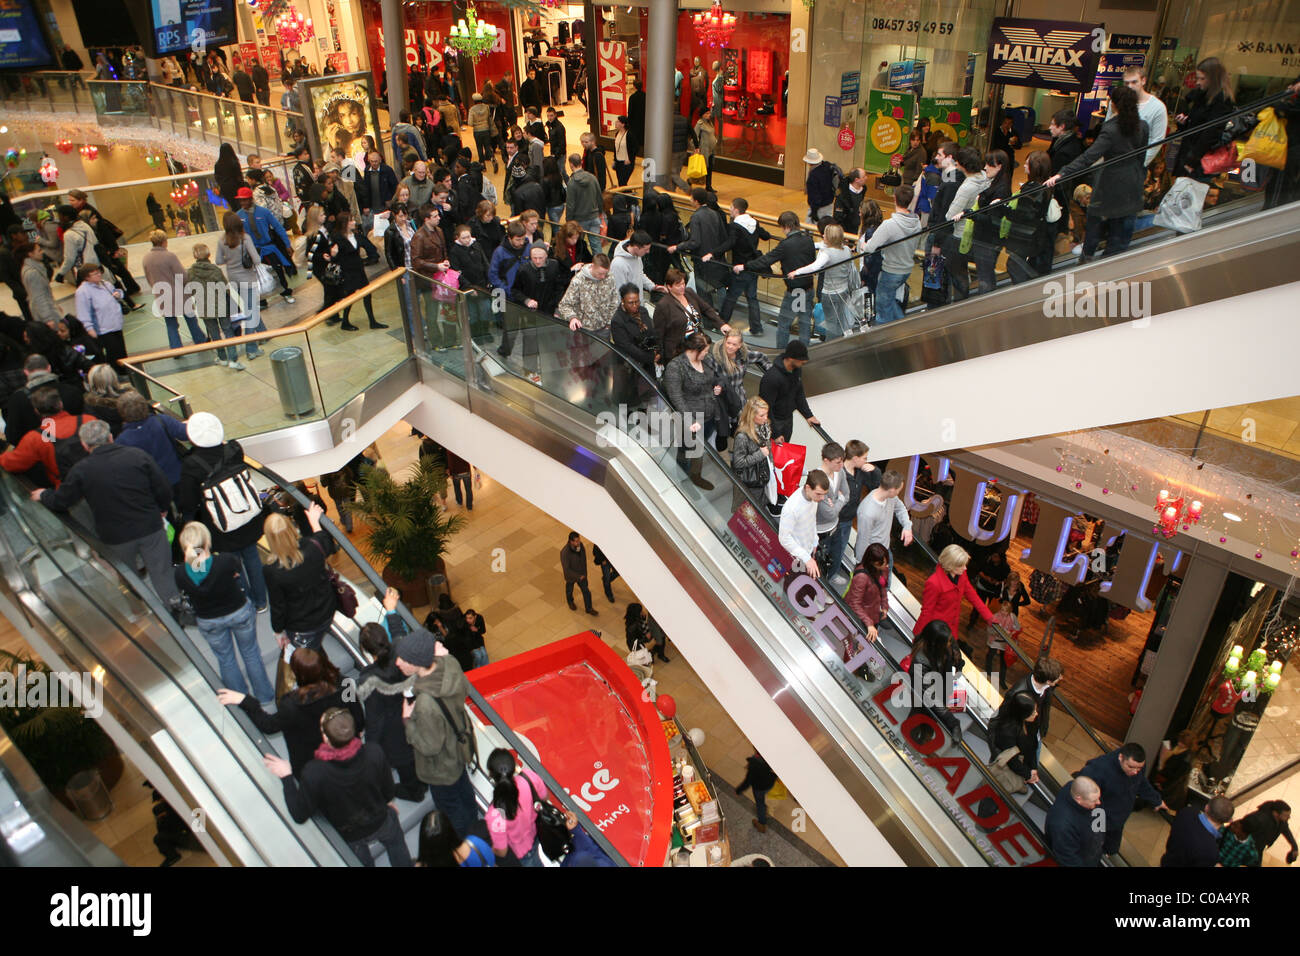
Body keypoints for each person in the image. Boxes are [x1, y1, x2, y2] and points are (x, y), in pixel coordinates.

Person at [31, 419, 182, 610]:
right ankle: (175, 610)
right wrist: (161, 509)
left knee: (128, 576)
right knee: (162, 572)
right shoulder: (137, 456)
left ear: (85, 445)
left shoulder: (81, 470)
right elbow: (163, 489)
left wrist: (43, 494)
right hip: (150, 527)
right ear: (111, 437)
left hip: (116, 537)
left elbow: (62, 501)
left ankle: (139, 610)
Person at [221, 646, 364, 776]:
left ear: (297, 674)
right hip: (346, 750)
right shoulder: (346, 684)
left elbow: (269, 726)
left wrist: (245, 701)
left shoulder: (292, 704)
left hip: (311, 762)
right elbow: (358, 719)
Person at [1045, 84, 1149, 261]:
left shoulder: (1111, 129)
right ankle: (1111, 264)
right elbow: (1142, 156)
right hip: (1132, 186)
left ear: (1114, 104)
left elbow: (1089, 157)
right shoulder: (1142, 126)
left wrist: (1062, 173)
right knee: (1120, 233)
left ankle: (1088, 260)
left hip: (1111, 185)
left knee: (1094, 225)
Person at [175, 522, 274, 702]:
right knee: (251, 653)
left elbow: (189, 582)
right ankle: (265, 696)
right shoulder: (225, 561)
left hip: (208, 620)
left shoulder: (180, 573)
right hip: (238, 612)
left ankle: (240, 700)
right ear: (207, 541)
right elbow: (236, 572)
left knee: (226, 660)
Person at [397, 627, 477, 839]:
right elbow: (464, 690)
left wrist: (408, 722)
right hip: (459, 747)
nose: (398, 662)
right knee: (465, 794)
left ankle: (465, 845)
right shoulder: (449, 664)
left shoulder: (425, 704)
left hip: (442, 767)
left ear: (416, 663)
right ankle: (476, 831)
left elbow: (430, 746)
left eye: (403, 659)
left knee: (452, 808)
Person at [261, 501, 339, 651]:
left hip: (302, 625)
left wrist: (277, 631)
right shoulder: (312, 546)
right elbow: (325, 542)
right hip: (327, 609)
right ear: (291, 528)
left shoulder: (272, 571)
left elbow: (278, 606)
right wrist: (315, 522)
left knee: (310, 657)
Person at [740, 211, 816, 349]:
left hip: (795, 291)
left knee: (784, 323)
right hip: (808, 287)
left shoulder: (785, 245)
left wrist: (745, 266)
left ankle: (781, 353)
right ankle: (803, 352)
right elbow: (813, 262)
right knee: (805, 323)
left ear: (786, 226)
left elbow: (765, 260)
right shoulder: (809, 240)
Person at [1078, 743, 1169, 856]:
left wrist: (1157, 800)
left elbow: (1141, 782)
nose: (1135, 772)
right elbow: (1087, 800)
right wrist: (1099, 831)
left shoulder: (1137, 766)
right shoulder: (1098, 770)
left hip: (1118, 820)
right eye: (1130, 767)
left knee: (1112, 849)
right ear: (1120, 757)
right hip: (1101, 820)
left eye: (1139, 768)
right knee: (1094, 849)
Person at [0, 387, 94, 488]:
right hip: (97, 476)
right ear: (60, 404)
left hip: (69, 488)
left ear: (36, 411)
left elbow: (12, 463)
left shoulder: (37, 437)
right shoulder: (89, 421)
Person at [664, 331, 721, 489]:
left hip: (709, 415)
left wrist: (717, 386)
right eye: (705, 351)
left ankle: (696, 475)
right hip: (689, 420)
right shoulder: (676, 366)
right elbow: (676, 397)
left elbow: (716, 376)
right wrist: (690, 420)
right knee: (686, 450)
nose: (707, 354)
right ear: (695, 350)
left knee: (700, 448)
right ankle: (683, 480)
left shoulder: (706, 360)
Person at [789, 223, 861, 339]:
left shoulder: (826, 253)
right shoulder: (847, 250)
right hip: (844, 291)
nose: (823, 236)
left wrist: (796, 272)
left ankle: (831, 347)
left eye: (825, 234)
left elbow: (814, 267)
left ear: (830, 237)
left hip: (830, 293)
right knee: (841, 320)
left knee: (831, 323)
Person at [913, 544, 994, 645]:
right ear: (950, 565)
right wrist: (918, 637)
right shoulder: (934, 583)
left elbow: (972, 595)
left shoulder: (961, 575)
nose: (965, 568)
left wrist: (989, 616)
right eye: (961, 565)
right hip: (937, 631)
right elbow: (927, 612)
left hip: (952, 629)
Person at [140, 231, 207, 352]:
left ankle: (176, 348)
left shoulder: (146, 258)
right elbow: (182, 276)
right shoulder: (169, 256)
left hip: (161, 295)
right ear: (164, 241)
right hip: (179, 294)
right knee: (191, 319)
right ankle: (200, 340)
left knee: (171, 324)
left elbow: (148, 277)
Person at [321, 211, 388, 332]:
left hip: (358, 270)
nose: (354, 222)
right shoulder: (337, 237)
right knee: (349, 297)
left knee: (367, 294)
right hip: (347, 272)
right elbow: (333, 256)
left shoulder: (356, 235)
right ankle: (345, 321)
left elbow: (370, 247)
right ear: (345, 223)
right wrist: (332, 255)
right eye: (351, 220)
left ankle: (372, 321)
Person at [214, 213, 267, 360]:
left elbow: (218, 261)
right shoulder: (245, 238)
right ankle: (251, 348)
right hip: (247, 279)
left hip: (233, 279)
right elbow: (256, 259)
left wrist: (230, 259)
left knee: (249, 310)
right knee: (251, 313)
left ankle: (263, 334)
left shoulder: (222, 241)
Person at [484, 748, 548, 866]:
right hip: (535, 834)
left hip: (520, 853)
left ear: (491, 775)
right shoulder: (529, 777)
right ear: (514, 767)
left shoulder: (496, 813)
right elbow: (543, 797)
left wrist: (488, 850)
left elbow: (502, 851)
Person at [1172, 57, 1234, 179]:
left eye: (1202, 78)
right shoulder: (1201, 96)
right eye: (1198, 78)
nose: (1198, 82)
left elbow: (1212, 132)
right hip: (1190, 152)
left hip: (1200, 159)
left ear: (1213, 79)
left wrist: (1193, 159)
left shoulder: (1220, 99)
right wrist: (1183, 122)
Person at [998, 151, 1055, 282]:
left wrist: (1003, 208)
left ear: (1035, 167)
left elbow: (1022, 215)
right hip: (1033, 235)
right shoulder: (1046, 185)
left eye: (1027, 163)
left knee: (1014, 265)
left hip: (1023, 237)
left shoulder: (1033, 190)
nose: (1023, 166)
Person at [669, 188, 729, 309]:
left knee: (704, 292)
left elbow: (695, 242)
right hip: (716, 259)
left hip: (702, 261)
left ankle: (709, 321)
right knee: (720, 286)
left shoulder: (696, 217)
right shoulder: (715, 214)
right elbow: (724, 237)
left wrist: (677, 247)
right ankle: (723, 317)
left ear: (696, 201)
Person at [115, 391, 189, 488]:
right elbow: (184, 433)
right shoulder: (162, 421)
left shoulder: (122, 441)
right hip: (176, 475)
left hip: (152, 485)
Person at [655, 268, 727, 367]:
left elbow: (706, 308)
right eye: (678, 285)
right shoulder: (663, 305)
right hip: (678, 351)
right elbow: (659, 333)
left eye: (683, 283)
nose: (682, 287)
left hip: (697, 345)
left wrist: (721, 324)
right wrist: (661, 355)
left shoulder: (689, 293)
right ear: (669, 287)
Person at [236, 189, 297, 304]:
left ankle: (286, 292)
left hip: (268, 247)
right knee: (256, 275)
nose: (243, 203)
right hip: (253, 251)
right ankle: (262, 300)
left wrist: (287, 244)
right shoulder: (238, 216)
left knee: (278, 270)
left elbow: (278, 227)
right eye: (241, 200)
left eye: (244, 200)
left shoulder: (264, 212)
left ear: (251, 199)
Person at [907, 620, 962, 739]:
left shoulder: (943, 640)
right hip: (924, 695)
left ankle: (924, 743)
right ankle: (908, 745)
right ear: (936, 644)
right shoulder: (920, 662)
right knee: (918, 717)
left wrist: (959, 663)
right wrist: (953, 722)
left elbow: (954, 648)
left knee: (933, 721)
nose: (950, 643)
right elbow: (929, 697)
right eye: (947, 642)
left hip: (941, 687)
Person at [757, 340, 818, 443]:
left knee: (784, 452)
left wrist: (808, 415)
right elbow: (765, 408)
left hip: (787, 419)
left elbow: (799, 393)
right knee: (770, 454)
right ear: (790, 358)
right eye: (801, 359)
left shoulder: (796, 370)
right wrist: (775, 433)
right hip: (774, 422)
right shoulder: (772, 378)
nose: (804, 362)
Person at [853, 469, 913, 569]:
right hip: (872, 557)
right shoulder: (867, 511)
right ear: (892, 490)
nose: (899, 493)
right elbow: (862, 541)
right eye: (899, 490)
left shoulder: (891, 497)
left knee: (885, 582)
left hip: (885, 549)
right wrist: (863, 565)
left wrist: (907, 526)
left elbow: (901, 508)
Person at [1046, 111, 1087, 250]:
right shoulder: (1061, 142)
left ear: (1062, 126)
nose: (1049, 127)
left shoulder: (1066, 149)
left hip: (1061, 195)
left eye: (1053, 124)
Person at [779, 470, 830, 578]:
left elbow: (812, 520)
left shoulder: (813, 499)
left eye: (824, 494)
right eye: (819, 494)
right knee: (793, 588)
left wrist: (815, 541)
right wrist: (806, 558)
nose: (822, 498)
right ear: (807, 488)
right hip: (796, 559)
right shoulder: (792, 508)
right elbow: (784, 538)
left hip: (809, 552)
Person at [73, 265, 127, 367]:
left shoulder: (105, 284)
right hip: (103, 329)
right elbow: (83, 313)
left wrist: (119, 294)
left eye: (99, 272)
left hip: (116, 325)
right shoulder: (82, 292)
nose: (99, 275)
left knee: (121, 352)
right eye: (95, 274)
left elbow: (118, 292)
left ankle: (125, 371)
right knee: (113, 355)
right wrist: (89, 329)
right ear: (86, 277)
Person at [1044, 776, 1105, 866]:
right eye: (1094, 800)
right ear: (1078, 799)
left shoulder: (1077, 789)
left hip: (1092, 853)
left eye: (1098, 798)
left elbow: (1099, 814)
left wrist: (1102, 841)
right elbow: (1069, 859)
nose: (1098, 802)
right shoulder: (1062, 825)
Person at [1161, 796, 1234, 867]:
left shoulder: (1187, 811)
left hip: (1167, 859)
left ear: (1206, 807)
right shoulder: (1211, 852)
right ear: (1229, 821)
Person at [555, 254, 618, 335]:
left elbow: (614, 301)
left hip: (604, 329)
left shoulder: (610, 278)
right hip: (583, 330)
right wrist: (572, 318)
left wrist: (609, 323)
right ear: (592, 266)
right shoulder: (578, 281)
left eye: (605, 273)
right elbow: (564, 305)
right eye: (600, 273)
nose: (603, 276)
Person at [847, 542, 891, 643]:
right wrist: (869, 624)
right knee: (854, 646)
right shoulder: (861, 577)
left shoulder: (883, 570)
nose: (887, 565)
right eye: (883, 563)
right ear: (874, 563)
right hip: (861, 618)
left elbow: (883, 588)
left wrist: (884, 606)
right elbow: (854, 603)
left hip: (873, 615)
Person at [565, 153, 604, 256]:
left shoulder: (572, 183)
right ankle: (600, 265)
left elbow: (570, 205)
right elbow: (599, 197)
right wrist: (600, 212)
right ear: (581, 162)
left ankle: (579, 264)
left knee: (577, 244)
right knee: (595, 244)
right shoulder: (592, 178)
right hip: (594, 217)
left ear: (571, 164)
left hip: (579, 220)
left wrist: (568, 221)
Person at [1239, 799, 1298, 864]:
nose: (1289, 817)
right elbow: (1243, 825)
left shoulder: (1282, 822)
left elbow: (1287, 832)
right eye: (1286, 815)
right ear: (1276, 813)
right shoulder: (1261, 818)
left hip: (1259, 848)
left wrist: (1294, 847)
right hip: (1246, 846)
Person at [736, 751, 777, 834]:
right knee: (762, 798)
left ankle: (762, 824)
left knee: (760, 803)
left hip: (759, 788)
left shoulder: (754, 765)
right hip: (770, 783)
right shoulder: (770, 756)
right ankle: (764, 809)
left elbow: (747, 782)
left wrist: (738, 790)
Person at [561, 531, 598, 615]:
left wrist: (584, 574)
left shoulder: (580, 546)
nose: (579, 542)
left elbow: (583, 560)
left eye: (579, 540)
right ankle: (570, 602)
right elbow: (566, 569)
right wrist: (578, 576)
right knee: (569, 590)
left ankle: (589, 608)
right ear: (571, 541)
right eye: (576, 541)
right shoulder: (565, 553)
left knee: (586, 591)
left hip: (582, 574)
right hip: (571, 576)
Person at [802, 148, 838, 222]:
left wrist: (814, 212)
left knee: (810, 228)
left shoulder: (813, 176)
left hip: (819, 207)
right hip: (829, 203)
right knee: (827, 225)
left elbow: (815, 196)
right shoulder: (828, 166)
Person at [832, 167, 868, 235]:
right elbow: (837, 217)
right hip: (844, 228)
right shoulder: (842, 195)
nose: (866, 178)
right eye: (864, 177)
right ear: (857, 180)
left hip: (855, 225)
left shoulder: (863, 190)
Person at [693, 114, 718, 191]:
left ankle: (708, 186)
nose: (709, 115)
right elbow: (694, 136)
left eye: (709, 113)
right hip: (704, 150)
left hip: (711, 150)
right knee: (701, 169)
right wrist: (696, 148)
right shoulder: (699, 123)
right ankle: (690, 181)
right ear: (702, 114)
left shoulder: (710, 123)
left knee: (709, 168)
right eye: (706, 113)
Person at [612, 115, 633, 186]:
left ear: (623, 124)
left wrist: (629, 159)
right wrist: (614, 160)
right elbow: (615, 148)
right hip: (618, 162)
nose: (616, 122)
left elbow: (635, 148)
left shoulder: (629, 135)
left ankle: (626, 195)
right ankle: (625, 194)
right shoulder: (617, 134)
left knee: (622, 182)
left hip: (626, 162)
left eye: (618, 121)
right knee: (620, 182)